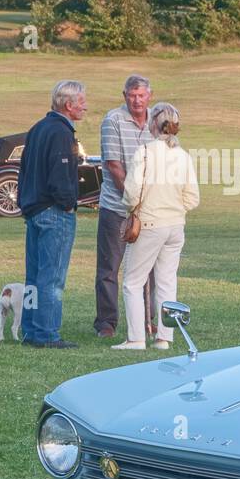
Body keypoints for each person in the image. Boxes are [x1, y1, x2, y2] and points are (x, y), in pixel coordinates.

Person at [113, 104, 199, 350]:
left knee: (132, 281)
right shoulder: (183, 156)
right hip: (175, 225)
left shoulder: (145, 152)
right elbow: (193, 198)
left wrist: (133, 209)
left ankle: (136, 338)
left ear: (153, 124)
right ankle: (164, 337)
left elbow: (131, 192)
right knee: (167, 282)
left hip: (149, 223)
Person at [18, 80, 87, 349]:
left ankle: (30, 330)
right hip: (54, 212)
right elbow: (60, 174)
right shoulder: (61, 133)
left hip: (34, 210)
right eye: (81, 102)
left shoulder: (37, 129)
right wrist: (68, 203)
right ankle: (47, 334)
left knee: (34, 275)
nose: (85, 106)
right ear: (68, 105)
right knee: (53, 276)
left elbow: (23, 169)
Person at [95, 75, 156, 338]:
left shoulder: (157, 119)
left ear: (149, 96)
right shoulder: (113, 120)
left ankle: (146, 320)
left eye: (141, 95)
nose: (137, 100)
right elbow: (114, 165)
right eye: (132, 95)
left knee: (150, 267)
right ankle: (106, 323)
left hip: (151, 209)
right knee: (109, 267)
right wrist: (133, 200)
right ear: (124, 96)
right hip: (117, 207)